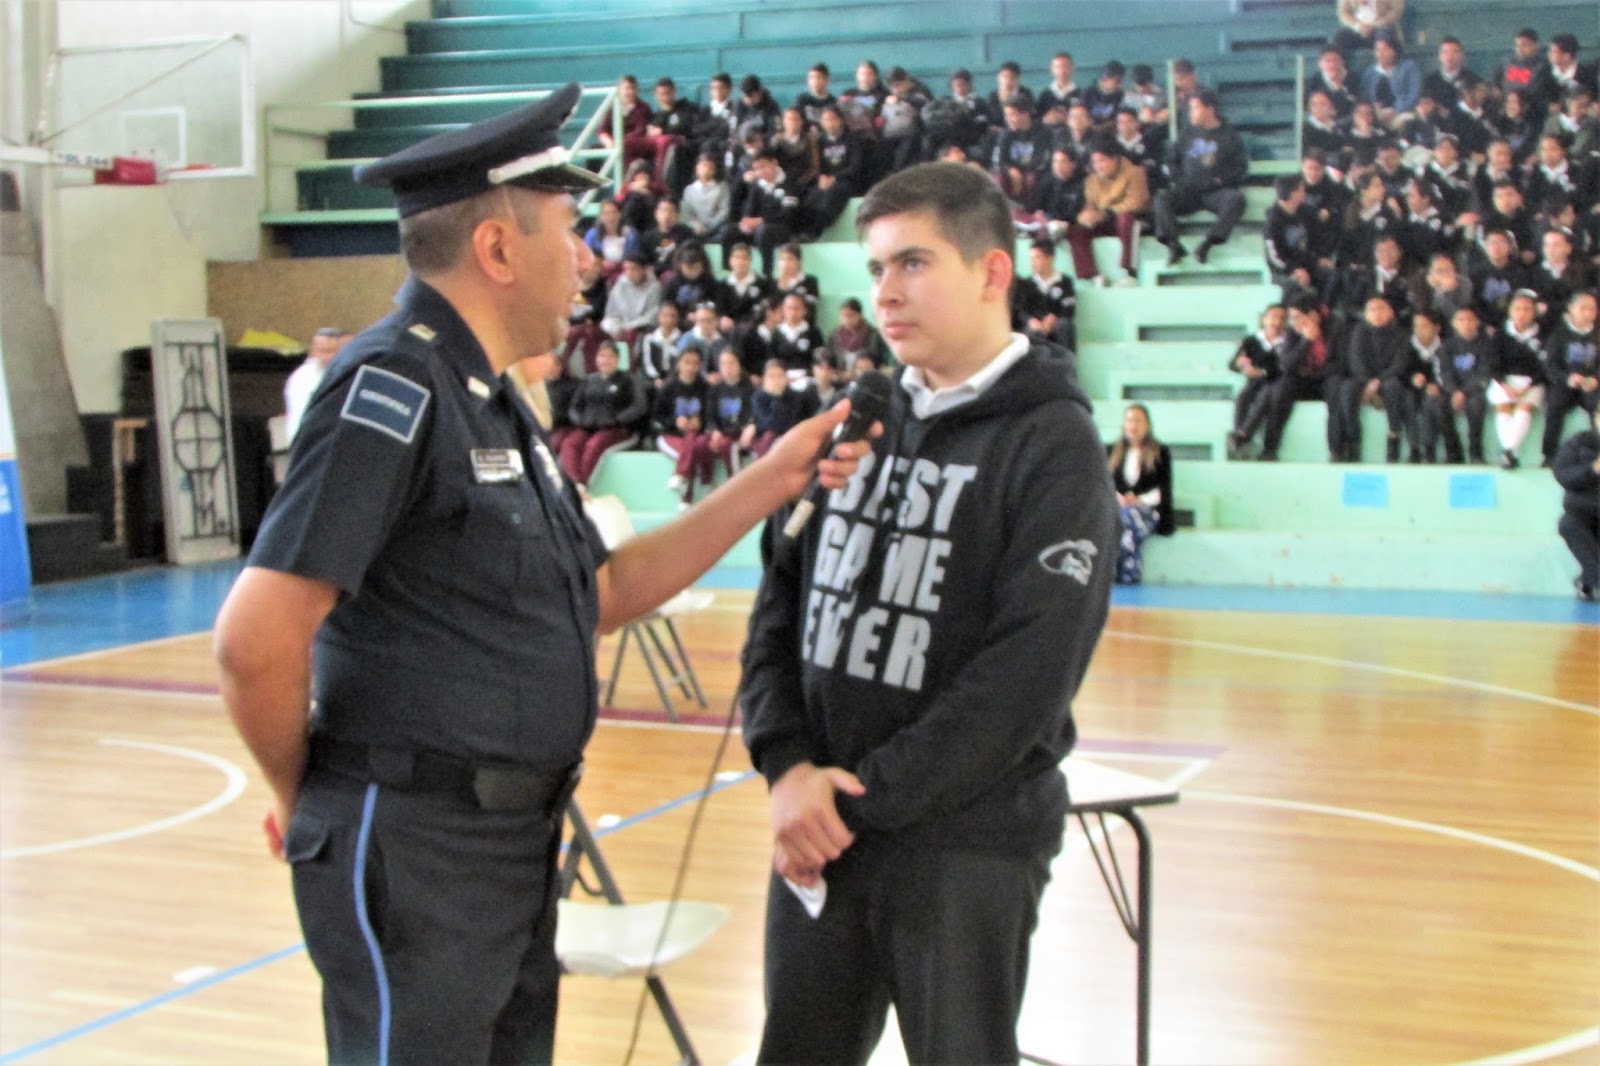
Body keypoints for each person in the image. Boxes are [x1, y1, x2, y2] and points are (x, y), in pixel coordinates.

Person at [211, 84, 874, 1066]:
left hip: (507, 845)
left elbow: (598, 594)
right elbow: (254, 639)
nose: (590, 259)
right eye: (571, 232)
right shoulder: (392, 387)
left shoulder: (493, 402)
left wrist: (772, 477)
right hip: (421, 846)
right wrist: (300, 789)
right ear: (497, 249)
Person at [738, 160, 1117, 1065]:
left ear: (992, 272)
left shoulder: (1053, 446)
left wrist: (853, 803)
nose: (885, 293)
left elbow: (1024, 678)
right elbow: (779, 608)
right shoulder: (855, 422)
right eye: (875, 269)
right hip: (821, 831)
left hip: (962, 845)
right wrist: (788, 766)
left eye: (913, 263)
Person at [1153, 90, 1248, 266]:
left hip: (1216, 192)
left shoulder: (1230, 136)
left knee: (1236, 199)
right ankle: (1173, 245)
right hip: (1188, 192)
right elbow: (1171, 160)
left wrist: (1221, 180)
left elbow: (1241, 168)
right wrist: (1179, 180)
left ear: (1210, 109)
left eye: (1195, 108)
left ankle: (1208, 243)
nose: (1190, 113)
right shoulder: (1187, 134)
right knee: (1162, 197)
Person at [560, 339, 646, 488]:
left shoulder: (627, 380)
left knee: (594, 445)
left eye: (610, 356)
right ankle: (572, 482)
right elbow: (574, 407)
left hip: (615, 429)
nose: (605, 360)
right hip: (588, 427)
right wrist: (579, 420)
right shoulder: (589, 380)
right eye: (602, 356)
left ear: (617, 360)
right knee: (570, 443)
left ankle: (583, 483)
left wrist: (617, 420)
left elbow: (639, 407)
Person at [1108, 403, 1175, 585]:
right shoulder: (1111, 451)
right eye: (1130, 420)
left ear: (1148, 425)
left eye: (1138, 420)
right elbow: (1104, 485)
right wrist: (1119, 497)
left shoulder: (1161, 452)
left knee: (1128, 520)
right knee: (1120, 523)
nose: (1133, 425)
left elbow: (1163, 490)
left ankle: (1124, 576)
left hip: (1148, 511)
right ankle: (1121, 575)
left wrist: (1137, 500)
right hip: (1119, 509)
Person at [1070, 143, 1149, 285]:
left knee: (1126, 220)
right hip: (1103, 220)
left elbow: (1136, 203)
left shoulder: (1135, 172)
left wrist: (1107, 213)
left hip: (1131, 219)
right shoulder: (1092, 180)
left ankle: (1129, 272)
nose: (1099, 166)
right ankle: (1091, 275)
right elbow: (1090, 205)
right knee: (1076, 230)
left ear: (1115, 159)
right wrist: (1087, 216)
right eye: (1095, 162)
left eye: (1102, 160)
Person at [1489, 290, 1548, 468]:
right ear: (1510, 311)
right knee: (1503, 406)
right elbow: (1492, 363)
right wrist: (1504, 384)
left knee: (1524, 406)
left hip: (1532, 383)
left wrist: (1528, 386)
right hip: (1505, 381)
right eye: (1517, 309)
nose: (1522, 313)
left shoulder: (1543, 335)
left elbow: (1544, 366)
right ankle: (1510, 451)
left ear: (1534, 312)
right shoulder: (1500, 334)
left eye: (1527, 309)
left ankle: (1508, 450)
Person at [1541, 289, 1600, 465]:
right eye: (1583, 308)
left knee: (1597, 407)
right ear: (1571, 309)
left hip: (1592, 385)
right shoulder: (1558, 335)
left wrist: (1596, 379)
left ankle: (1596, 453)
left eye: (1592, 309)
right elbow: (1550, 366)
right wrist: (1567, 378)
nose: (1588, 313)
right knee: (1554, 407)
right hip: (1566, 383)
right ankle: (1549, 455)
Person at [1226, 304, 1290, 459]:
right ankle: (1239, 436)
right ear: (1264, 319)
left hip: (1273, 382)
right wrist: (1240, 364)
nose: (1277, 322)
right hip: (1254, 382)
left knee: (1264, 399)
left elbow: (1281, 368)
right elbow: (1232, 364)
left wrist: (1261, 372)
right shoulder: (1252, 340)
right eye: (1273, 317)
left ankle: (1244, 435)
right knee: (1242, 398)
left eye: (1282, 318)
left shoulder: (1286, 342)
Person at [1552, 404, 1600, 601]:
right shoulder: (1580, 442)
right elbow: (1562, 474)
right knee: (1568, 524)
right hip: (1583, 513)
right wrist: (1593, 469)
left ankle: (1588, 579)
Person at [283, 327, 347, 442]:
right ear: (313, 351)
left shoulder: (344, 372)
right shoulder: (302, 378)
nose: (328, 356)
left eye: (332, 351)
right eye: (323, 351)